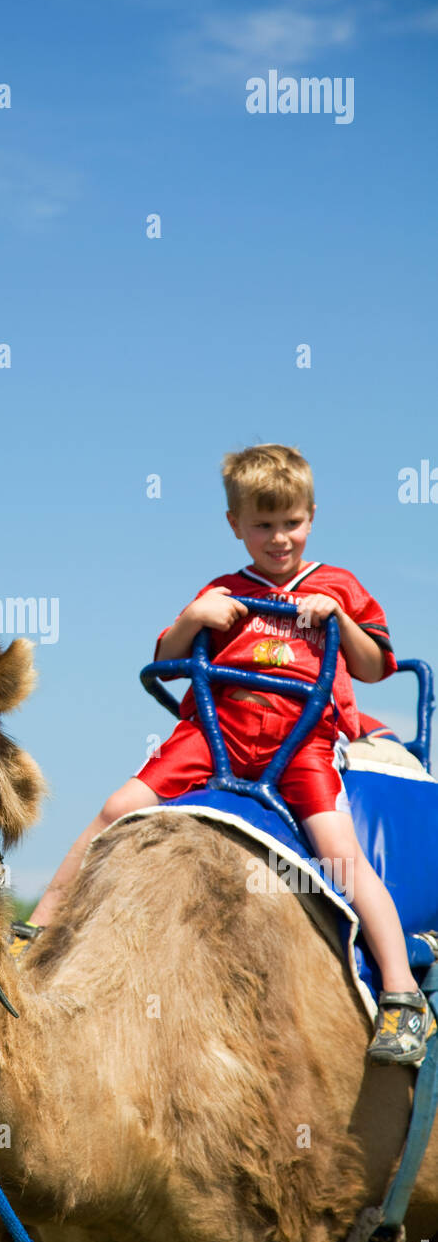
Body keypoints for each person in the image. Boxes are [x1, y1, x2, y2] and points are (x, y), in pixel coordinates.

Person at [24, 443, 435, 1067]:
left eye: (291, 522)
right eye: (262, 525)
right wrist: (194, 617)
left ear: (312, 516)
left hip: (300, 740)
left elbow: (375, 666)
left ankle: (402, 996)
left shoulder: (336, 585)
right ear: (235, 526)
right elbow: (167, 655)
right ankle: (40, 926)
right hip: (219, 731)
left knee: (338, 852)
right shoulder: (223, 590)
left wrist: (339, 621)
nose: (278, 538)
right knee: (119, 806)